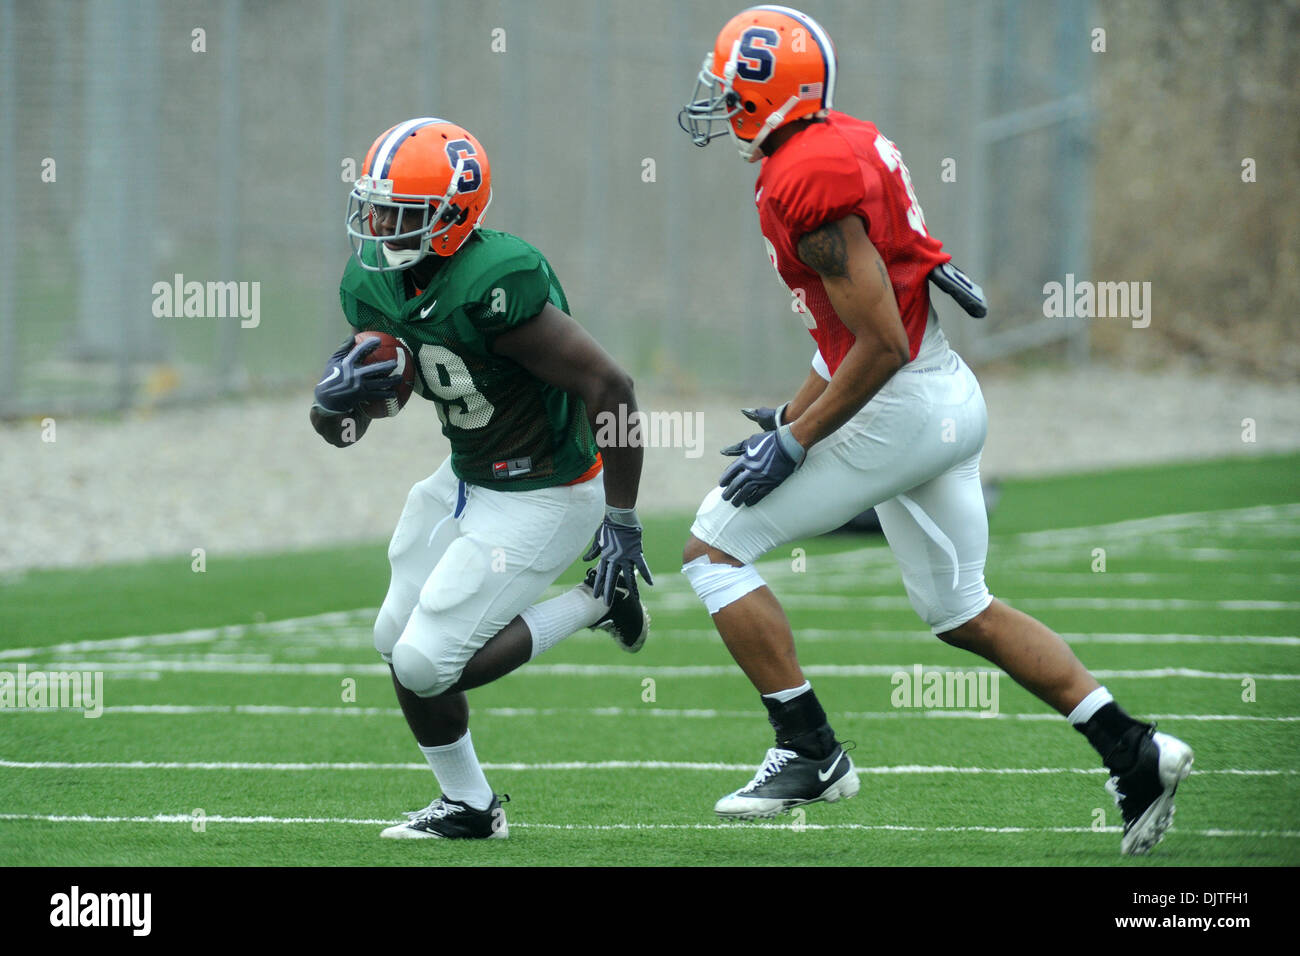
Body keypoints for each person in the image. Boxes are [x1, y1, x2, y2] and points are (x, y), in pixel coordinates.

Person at [676, 6, 1192, 855]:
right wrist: (793, 415)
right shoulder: (844, 139)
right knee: (962, 610)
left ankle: (810, 752)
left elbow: (876, 342)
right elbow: (848, 331)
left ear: (774, 96)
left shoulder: (802, 178)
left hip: (902, 406)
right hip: (945, 393)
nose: (721, 105)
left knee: (713, 553)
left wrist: (798, 444)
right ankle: (1134, 749)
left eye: (733, 92)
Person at [310, 117, 653, 840]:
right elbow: (366, 417)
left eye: (398, 212)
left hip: (548, 489)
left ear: (451, 217)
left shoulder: (495, 284)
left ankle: (598, 599)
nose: (377, 225)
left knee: (428, 665)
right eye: (374, 206)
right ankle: (469, 807)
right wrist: (335, 402)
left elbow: (612, 386)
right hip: (466, 474)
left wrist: (621, 517)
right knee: (390, 639)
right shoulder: (376, 284)